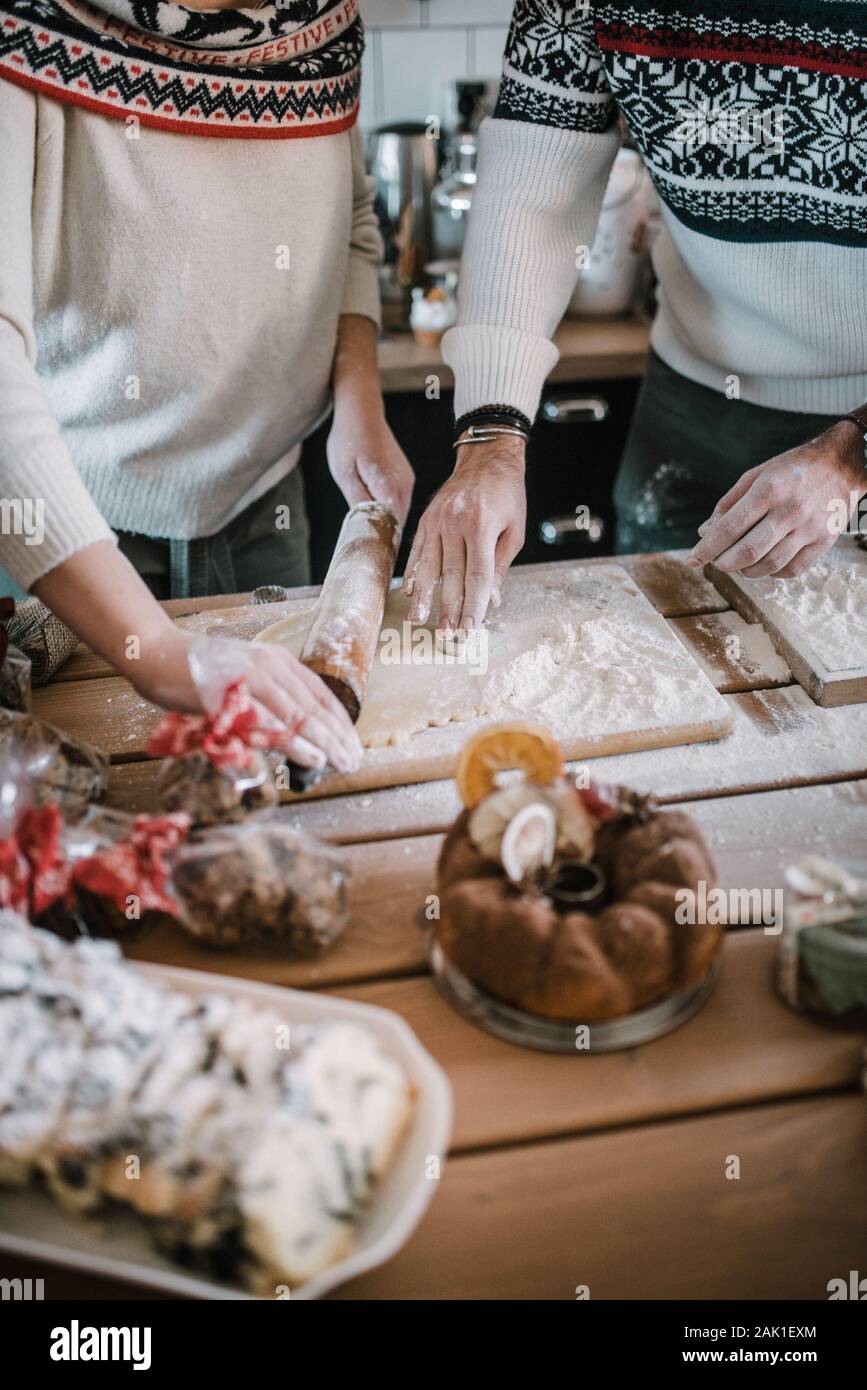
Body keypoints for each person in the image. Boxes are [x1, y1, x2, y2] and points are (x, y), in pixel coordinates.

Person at [0, 0, 413, 773]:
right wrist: (156, 651)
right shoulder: (24, 27)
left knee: (269, 820)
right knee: (80, 808)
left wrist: (358, 398)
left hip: (268, 510)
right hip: (68, 539)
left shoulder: (320, 18)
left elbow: (351, 222)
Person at [405, 0, 867, 632]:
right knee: (671, 661)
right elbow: (534, 198)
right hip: (695, 404)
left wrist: (851, 457)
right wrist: (491, 436)